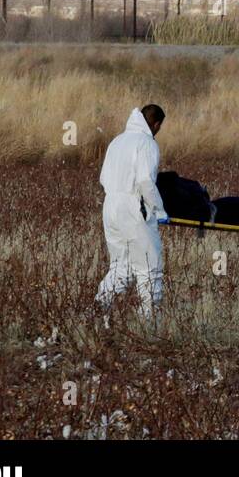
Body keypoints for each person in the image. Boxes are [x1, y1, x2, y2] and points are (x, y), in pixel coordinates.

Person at [95, 104, 168, 318]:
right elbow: (145, 181)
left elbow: (102, 178)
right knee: (149, 267)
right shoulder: (147, 143)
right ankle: (150, 324)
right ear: (156, 124)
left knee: (121, 266)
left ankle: (99, 310)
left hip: (110, 207)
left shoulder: (117, 141)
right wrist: (160, 211)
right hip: (134, 207)